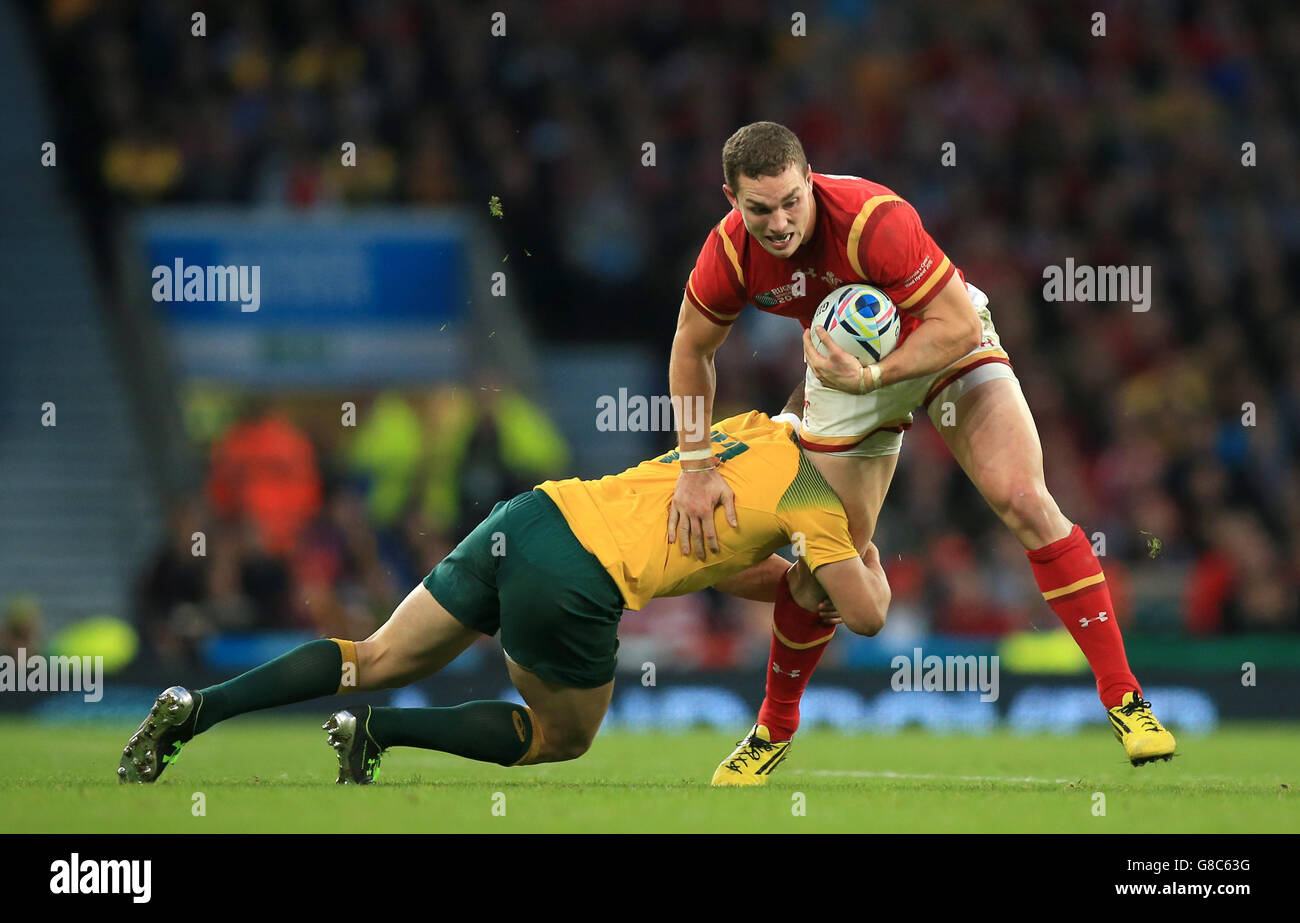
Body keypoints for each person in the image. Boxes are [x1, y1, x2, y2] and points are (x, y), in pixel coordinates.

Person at [664, 121, 1175, 783]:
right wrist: (696, 466)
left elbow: (958, 321)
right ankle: (772, 730)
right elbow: (690, 347)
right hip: (847, 374)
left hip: (939, 344)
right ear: (731, 198)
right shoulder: (730, 254)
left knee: (1023, 498)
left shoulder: (873, 220)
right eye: (760, 208)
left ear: (810, 177)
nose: (781, 221)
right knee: (827, 558)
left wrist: (877, 377)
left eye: (792, 200)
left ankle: (1126, 700)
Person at [119, 410, 886, 785]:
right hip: (578, 577)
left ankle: (197, 709)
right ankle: (377, 733)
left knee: (376, 653)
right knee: (563, 737)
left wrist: (787, 578)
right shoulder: (815, 498)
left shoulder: (744, 429)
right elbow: (866, 612)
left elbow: (709, 558)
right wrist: (861, 556)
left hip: (531, 516)